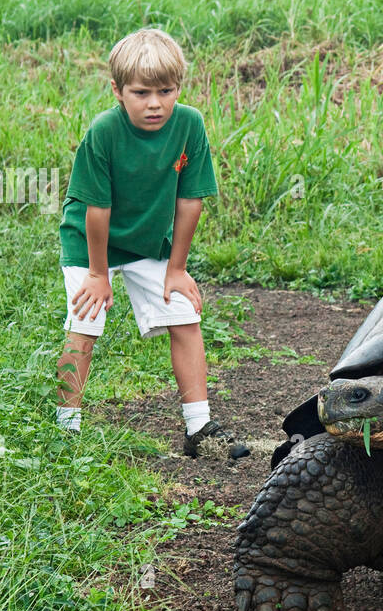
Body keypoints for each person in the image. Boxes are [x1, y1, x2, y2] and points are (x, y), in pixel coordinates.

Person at [53, 27, 249, 459]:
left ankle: (200, 429)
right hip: (91, 244)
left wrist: (176, 269)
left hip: (148, 242)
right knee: (86, 322)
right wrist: (99, 275)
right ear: (117, 91)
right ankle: (64, 430)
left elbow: (190, 201)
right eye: (141, 92)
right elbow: (96, 210)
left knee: (184, 316)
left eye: (166, 90)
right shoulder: (103, 132)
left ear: (179, 87)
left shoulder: (189, 124)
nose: (155, 103)